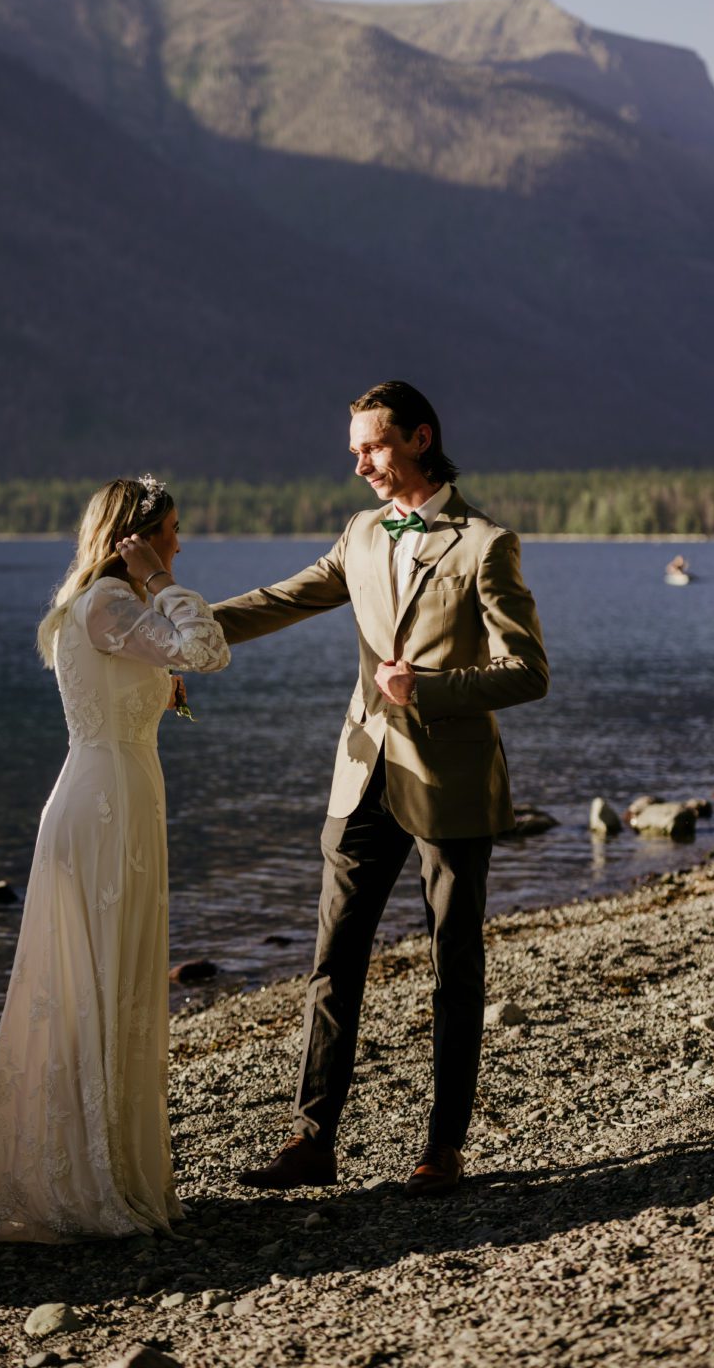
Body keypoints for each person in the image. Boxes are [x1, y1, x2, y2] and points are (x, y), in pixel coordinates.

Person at [213, 381, 548, 1195]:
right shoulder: (361, 533)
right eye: (355, 449)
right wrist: (176, 630)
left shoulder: (485, 545)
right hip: (361, 777)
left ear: (420, 439)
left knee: (453, 964)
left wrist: (425, 689)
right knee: (334, 959)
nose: (359, 463)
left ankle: (443, 1148)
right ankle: (312, 1138)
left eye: (372, 446)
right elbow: (283, 599)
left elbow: (528, 672)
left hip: (450, 784)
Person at [0, 476, 230, 1242]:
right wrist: (163, 583)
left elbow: (161, 670)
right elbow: (208, 650)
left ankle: (108, 1164)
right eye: (169, 531)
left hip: (123, 792)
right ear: (134, 538)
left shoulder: (111, 609)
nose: (180, 543)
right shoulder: (112, 604)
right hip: (104, 802)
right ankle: (86, 1181)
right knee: (99, 980)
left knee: (121, 979)